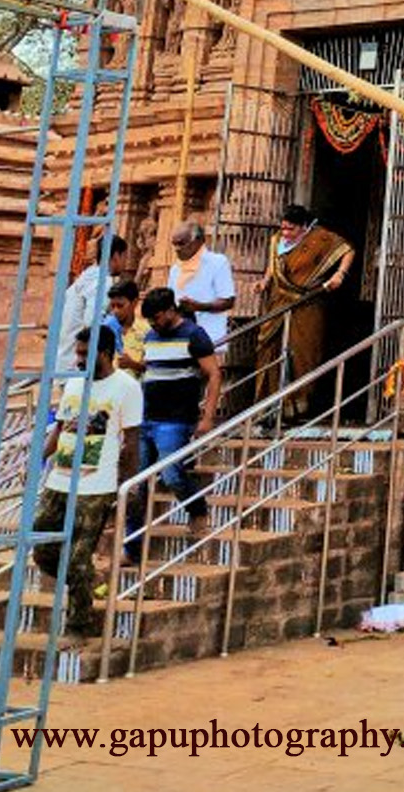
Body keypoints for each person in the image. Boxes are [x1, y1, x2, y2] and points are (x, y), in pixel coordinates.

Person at [33, 324, 142, 635]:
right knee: (42, 549)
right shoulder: (74, 384)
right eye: (78, 353)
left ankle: (79, 624)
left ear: (105, 353)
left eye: (84, 354)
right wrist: (40, 458)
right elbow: (61, 427)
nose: (79, 360)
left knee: (80, 557)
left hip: (96, 486)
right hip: (58, 481)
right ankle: (85, 584)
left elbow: (131, 441)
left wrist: (126, 485)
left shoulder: (127, 387)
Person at [127, 287, 221, 558]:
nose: (155, 323)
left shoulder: (194, 335)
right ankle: (131, 547)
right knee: (136, 486)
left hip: (176, 419)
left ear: (170, 310)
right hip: (146, 418)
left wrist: (208, 417)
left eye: (157, 317)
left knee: (171, 474)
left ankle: (197, 508)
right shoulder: (151, 337)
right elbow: (151, 371)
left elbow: (214, 374)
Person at [254, 205, 354, 424]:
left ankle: (296, 409)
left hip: (307, 304)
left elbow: (347, 250)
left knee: (302, 355)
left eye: (291, 229)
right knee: (269, 349)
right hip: (278, 302)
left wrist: (339, 274)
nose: (285, 234)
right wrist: (265, 281)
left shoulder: (320, 238)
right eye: (283, 228)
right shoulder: (277, 240)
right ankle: (270, 409)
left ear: (304, 228)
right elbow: (274, 264)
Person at [54, 237, 134, 374]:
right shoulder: (103, 281)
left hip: (65, 358)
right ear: (116, 256)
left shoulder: (86, 277)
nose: (125, 263)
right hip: (79, 364)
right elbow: (92, 323)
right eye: (125, 257)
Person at [167, 221, 235, 354]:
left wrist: (199, 306)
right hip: (180, 339)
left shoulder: (218, 262)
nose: (177, 249)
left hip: (210, 339)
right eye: (174, 244)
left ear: (197, 241)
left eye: (181, 243)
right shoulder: (175, 269)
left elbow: (228, 301)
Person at [105, 279, 150, 374]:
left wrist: (132, 364)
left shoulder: (147, 331)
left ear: (134, 303)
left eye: (120, 306)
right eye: (113, 306)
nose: (115, 311)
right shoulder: (105, 330)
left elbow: (153, 368)